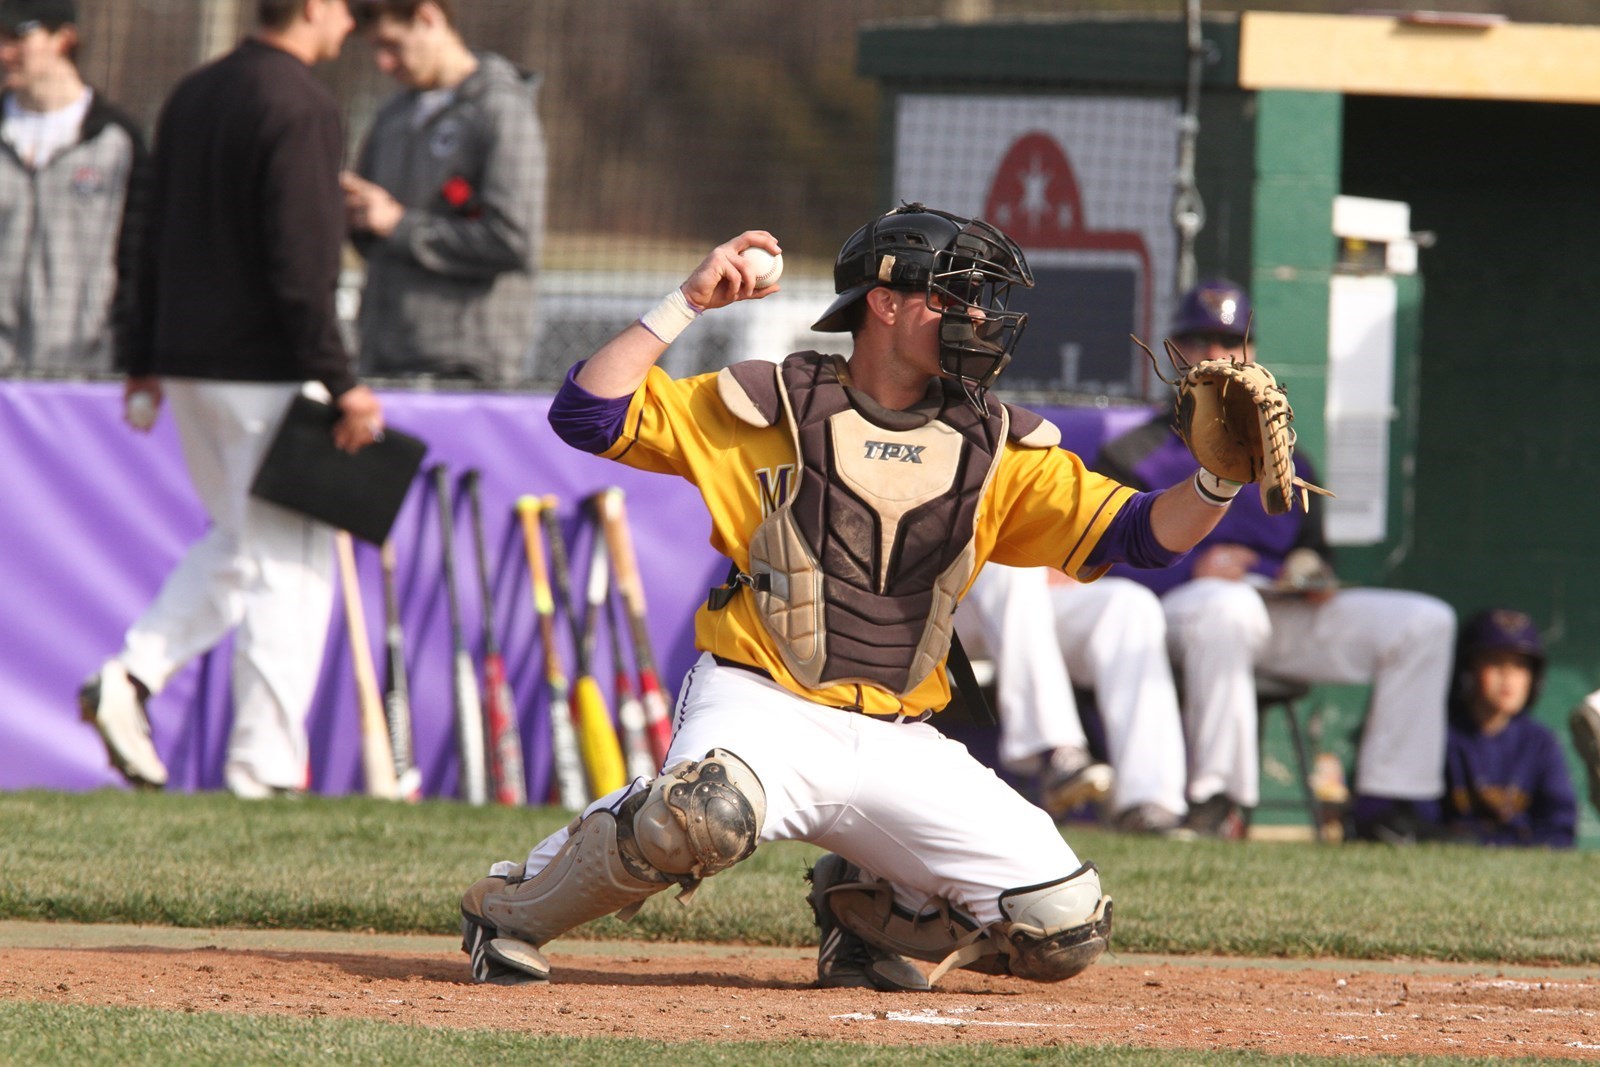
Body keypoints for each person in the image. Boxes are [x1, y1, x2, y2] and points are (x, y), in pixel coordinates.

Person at [454, 203, 1254, 991]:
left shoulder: (999, 444)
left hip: (901, 735)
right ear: (885, 301)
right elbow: (588, 414)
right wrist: (688, 302)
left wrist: (1219, 477)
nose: (979, 314)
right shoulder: (767, 403)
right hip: (762, 707)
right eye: (955, 293)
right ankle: (511, 906)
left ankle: (862, 910)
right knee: (702, 814)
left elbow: (1143, 534)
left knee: (1064, 926)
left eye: (983, 297)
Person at [77, 0, 384, 799]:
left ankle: (131, 678)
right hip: (272, 372)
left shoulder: (194, 93)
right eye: (346, 11)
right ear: (314, 6)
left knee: (243, 546)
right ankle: (265, 772)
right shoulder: (302, 103)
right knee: (292, 565)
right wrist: (342, 380)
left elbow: (143, 232)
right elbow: (302, 264)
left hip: (190, 367)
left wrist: (142, 354)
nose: (349, 25)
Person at [1096, 279, 1456, 843]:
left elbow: (1313, 548)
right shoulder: (1132, 453)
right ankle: (1220, 800)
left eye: (1229, 342)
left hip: (1272, 610)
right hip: (1179, 610)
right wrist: (1194, 567)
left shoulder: (1287, 453)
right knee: (1225, 606)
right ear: (1174, 352)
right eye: (1199, 341)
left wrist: (1309, 572)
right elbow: (1100, 560)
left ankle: (1390, 808)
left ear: (1252, 354)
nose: (1216, 355)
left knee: (1423, 622)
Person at [342, 0, 545, 383]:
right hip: (382, 356)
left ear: (428, 16)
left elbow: (514, 241)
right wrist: (352, 214)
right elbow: (375, 231)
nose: (384, 63)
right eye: (374, 48)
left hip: (461, 368)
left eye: (392, 44)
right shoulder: (392, 116)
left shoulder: (501, 109)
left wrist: (398, 224)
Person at [957, 564, 1192, 836]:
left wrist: (1067, 558)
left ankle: (1148, 804)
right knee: (1007, 565)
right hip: (938, 603)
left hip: (1026, 596)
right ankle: (1057, 753)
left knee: (1128, 604)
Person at [0, 0, 146, 374]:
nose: (4, 51)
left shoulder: (117, 141)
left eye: (18, 37)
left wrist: (131, 355)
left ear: (63, 39)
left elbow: (138, 258)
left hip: (81, 373)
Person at [1441, 609, 1576, 847]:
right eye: (1494, 662)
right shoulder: (1443, 737)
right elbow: (1420, 824)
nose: (1508, 677)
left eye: (1520, 665)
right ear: (1467, 672)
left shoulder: (1540, 742)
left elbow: (1560, 827)